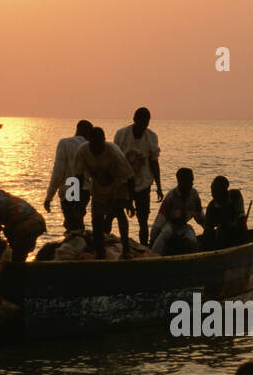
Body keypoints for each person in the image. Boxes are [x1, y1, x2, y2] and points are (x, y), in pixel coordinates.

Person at [73, 126, 136, 260]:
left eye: (100, 142)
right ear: (89, 141)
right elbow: (77, 177)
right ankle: (100, 251)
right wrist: (76, 200)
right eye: (94, 143)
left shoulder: (113, 150)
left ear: (104, 140)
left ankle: (126, 248)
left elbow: (130, 176)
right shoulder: (82, 151)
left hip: (119, 182)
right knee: (96, 218)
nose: (97, 146)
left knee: (119, 212)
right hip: (98, 186)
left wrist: (130, 201)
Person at [113, 107, 162, 246]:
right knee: (115, 213)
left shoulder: (151, 137)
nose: (143, 125)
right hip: (122, 182)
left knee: (143, 218)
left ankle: (144, 246)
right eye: (141, 121)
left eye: (146, 122)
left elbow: (154, 162)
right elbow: (114, 159)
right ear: (134, 119)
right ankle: (118, 244)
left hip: (143, 183)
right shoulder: (121, 134)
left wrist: (159, 186)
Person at [44, 120, 93, 232]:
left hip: (72, 186)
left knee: (72, 222)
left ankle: (76, 239)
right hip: (85, 189)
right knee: (78, 219)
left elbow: (58, 171)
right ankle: (80, 238)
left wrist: (49, 196)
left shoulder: (65, 143)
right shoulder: (90, 146)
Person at [150, 168, 205, 255]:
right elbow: (161, 219)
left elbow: (199, 216)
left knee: (192, 240)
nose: (192, 183)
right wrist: (153, 237)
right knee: (165, 234)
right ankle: (154, 255)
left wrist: (207, 228)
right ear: (180, 181)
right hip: (170, 224)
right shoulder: (171, 196)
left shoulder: (194, 194)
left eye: (192, 180)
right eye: (189, 181)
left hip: (184, 226)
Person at [202, 175, 248, 250]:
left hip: (238, 231)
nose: (212, 194)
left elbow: (241, 220)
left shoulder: (235, 196)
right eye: (212, 190)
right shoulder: (211, 207)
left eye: (216, 191)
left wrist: (247, 238)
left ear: (224, 191)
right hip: (221, 235)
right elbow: (208, 230)